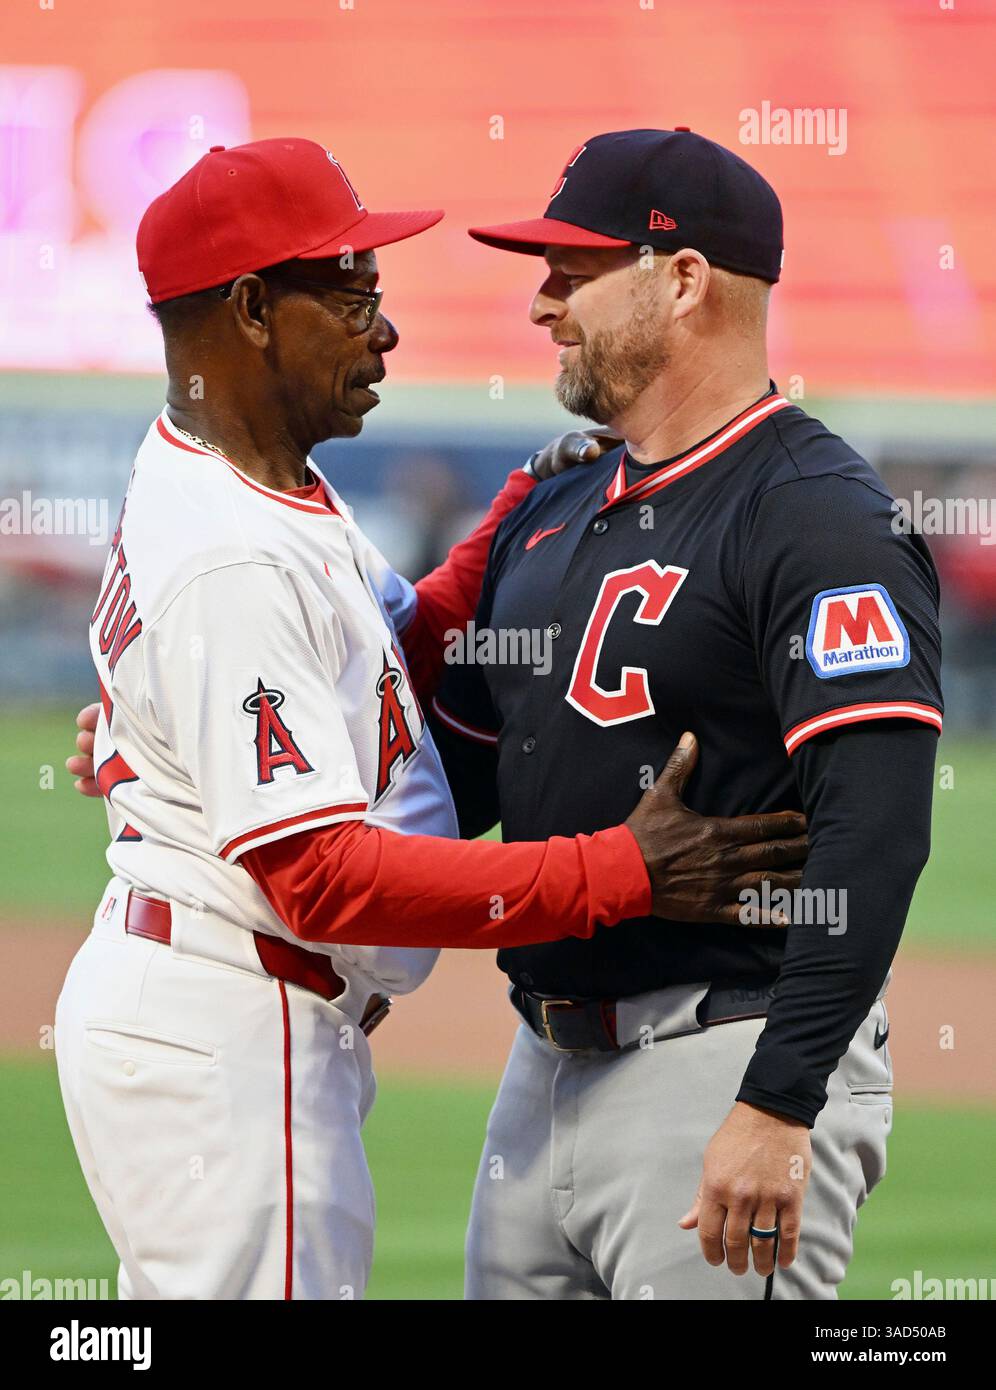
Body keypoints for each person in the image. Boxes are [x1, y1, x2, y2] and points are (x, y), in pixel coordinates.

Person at [59, 137, 806, 1301]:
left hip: (229, 1007)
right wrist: (617, 871)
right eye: (353, 295)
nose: (385, 329)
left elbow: (375, 662)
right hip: (228, 1026)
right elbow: (326, 879)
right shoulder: (229, 556)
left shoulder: (250, 477)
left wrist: (514, 519)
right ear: (252, 309)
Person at [427, 127, 943, 1299]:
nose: (541, 304)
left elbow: (877, 830)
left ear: (684, 277)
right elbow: (446, 774)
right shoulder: (556, 501)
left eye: (573, 270)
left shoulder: (817, 515)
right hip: (539, 1065)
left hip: (721, 1056)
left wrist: (779, 1095)